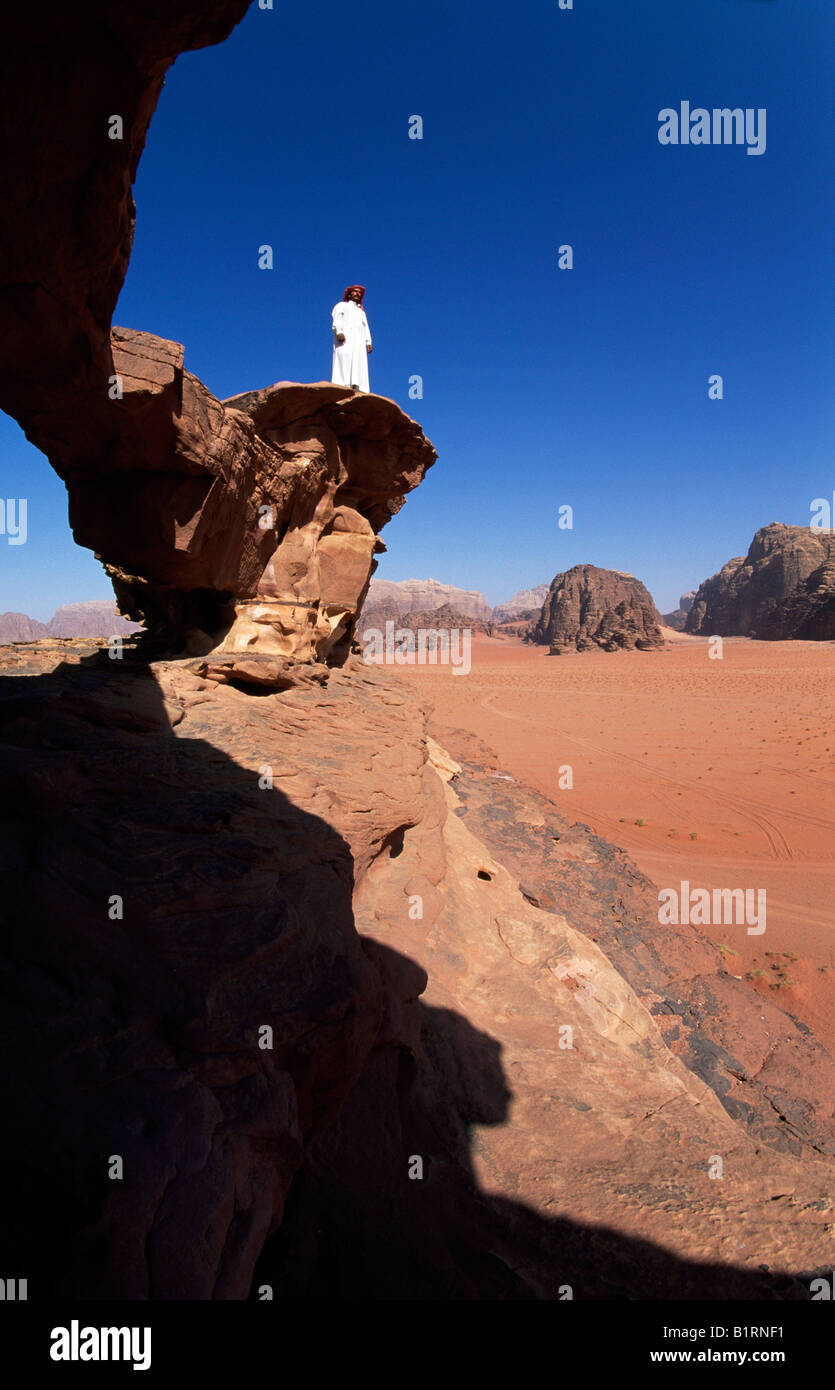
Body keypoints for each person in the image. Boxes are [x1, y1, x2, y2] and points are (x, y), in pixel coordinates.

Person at [331, 285, 373, 391]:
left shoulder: (361, 312)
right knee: (344, 358)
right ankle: (342, 385)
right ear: (350, 294)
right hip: (346, 338)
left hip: (359, 341)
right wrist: (339, 331)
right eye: (355, 291)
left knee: (358, 362)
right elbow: (337, 318)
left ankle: (357, 387)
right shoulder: (342, 305)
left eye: (359, 292)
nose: (357, 294)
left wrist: (368, 342)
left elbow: (365, 327)